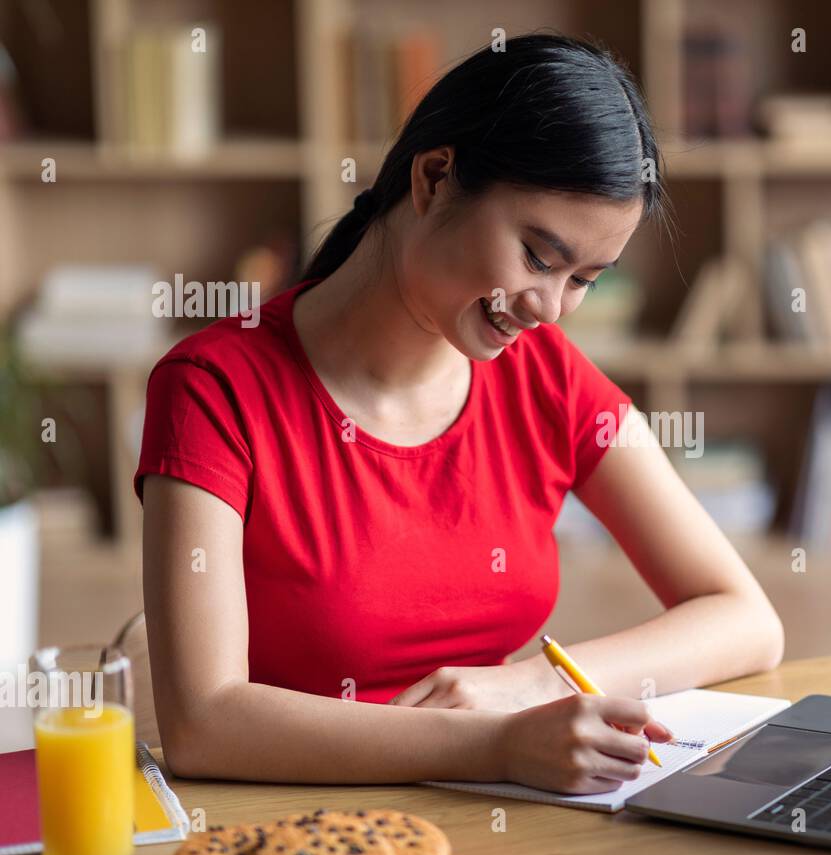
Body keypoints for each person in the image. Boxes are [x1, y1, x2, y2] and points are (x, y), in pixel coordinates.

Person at [136, 34, 783, 794]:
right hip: (309, 825)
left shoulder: (544, 376)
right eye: (539, 257)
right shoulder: (214, 389)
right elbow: (203, 724)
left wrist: (528, 688)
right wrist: (492, 745)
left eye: (586, 281)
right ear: (436, 178)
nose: (549, 310)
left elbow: (745, 618)